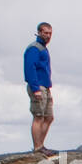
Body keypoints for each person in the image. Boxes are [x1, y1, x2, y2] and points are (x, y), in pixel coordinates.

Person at [24, 23, 56, 156]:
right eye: (45, 33)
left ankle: (41, 145)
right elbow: (30, 68)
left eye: (50, 33)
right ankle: (38, 147)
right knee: (38, 116)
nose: (48, 36)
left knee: (49, 117)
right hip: (38, 86)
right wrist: (35, 88)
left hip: (46, 86)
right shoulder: (34, 48)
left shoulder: (43, 48)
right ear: (39, 32)